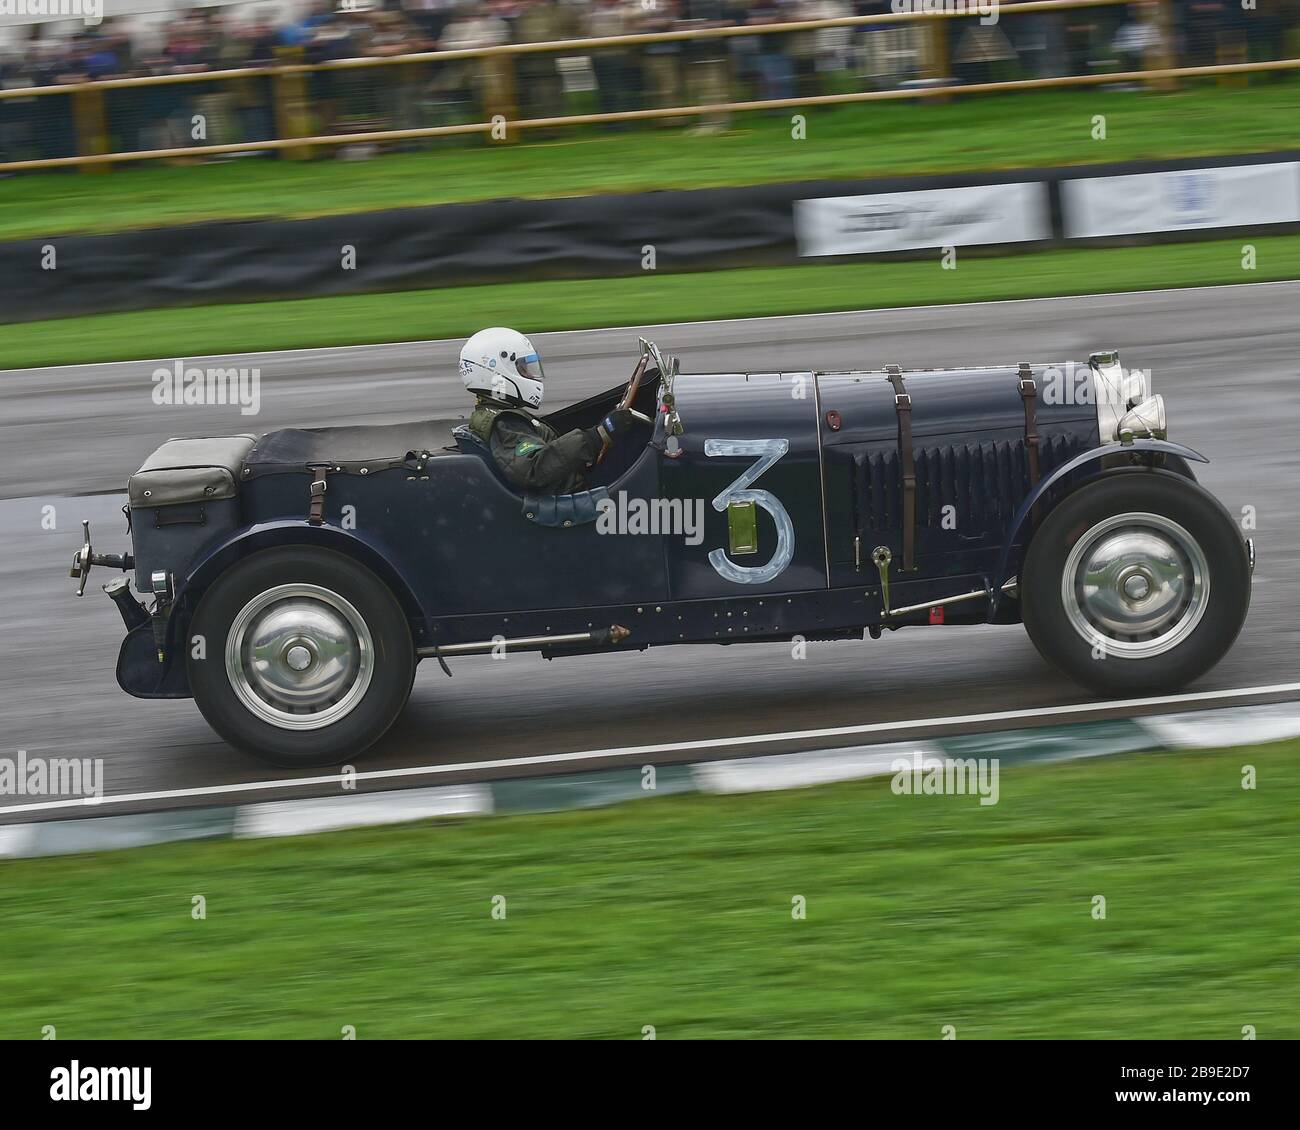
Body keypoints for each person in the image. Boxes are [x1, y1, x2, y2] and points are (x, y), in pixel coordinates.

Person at [460, 327, 634, 495]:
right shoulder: (505, 423)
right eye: (523, 368)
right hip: (568, 501)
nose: (529, 375)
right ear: (495, 371)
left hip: (568, 488)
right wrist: (596, 436)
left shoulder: (499, 416)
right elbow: (534, 469)